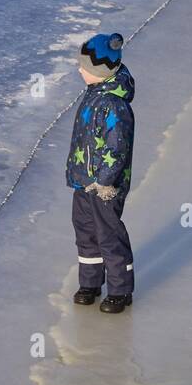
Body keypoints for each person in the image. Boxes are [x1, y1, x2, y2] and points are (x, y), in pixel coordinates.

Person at [65, 32, 135, 313]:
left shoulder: (115, 105)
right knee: (85, 231)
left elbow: (117, 149)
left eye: (84, 67)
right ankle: (90, 282)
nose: (79, 70)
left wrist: (104, 182)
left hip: (106, 185)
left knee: (108, 234)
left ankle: (120, 289)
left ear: (100, 71)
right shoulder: (95, 93)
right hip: (84, 180)